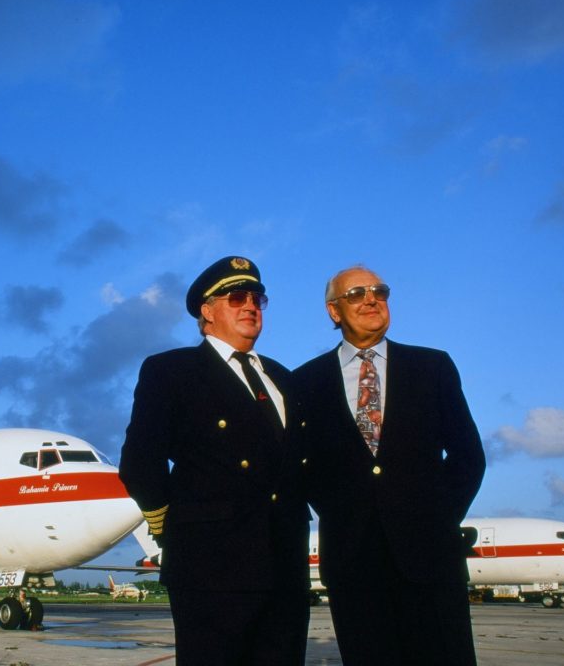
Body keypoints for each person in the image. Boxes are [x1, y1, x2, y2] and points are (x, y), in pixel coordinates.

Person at [119, 256, 309, 666]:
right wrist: (175, 531)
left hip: (285, 565)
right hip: (211, 566)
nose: (250, 305)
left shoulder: (284, 378)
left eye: (258, 298)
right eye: (237, 296)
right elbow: (140, 462)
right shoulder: (171, 371)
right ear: (207, 311)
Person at [293, 265, 485, 665]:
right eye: (356, 293)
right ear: (334, 311)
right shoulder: (304, 383)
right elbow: (300, 466)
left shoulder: (432, 367)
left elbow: (468, 456)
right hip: (353, 565)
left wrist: (436, 519)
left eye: (379, 291)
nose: (371, 299)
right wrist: (341, 511)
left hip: (431, 561)